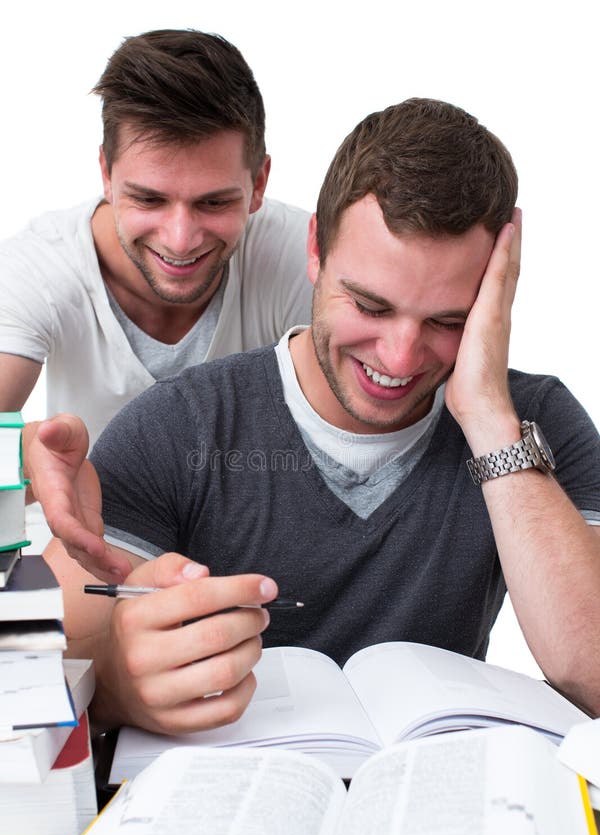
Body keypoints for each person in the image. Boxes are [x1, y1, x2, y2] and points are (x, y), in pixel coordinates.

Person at [27, 98, 600, 737]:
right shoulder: (178, 425)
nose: (400, 356)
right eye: (370, 305)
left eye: (448, 321)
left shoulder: (537, 425)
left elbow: (593, 672)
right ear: (316, 253)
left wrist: (490, 416)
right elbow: (38, 674)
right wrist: (115, 685)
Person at [0, 29, 311, 447]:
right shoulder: (37, 271)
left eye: (213, 203)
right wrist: (27, 467)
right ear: (107, 175)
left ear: (258, 184)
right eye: (149, 199)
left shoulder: (307, 257)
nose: (180, 241)